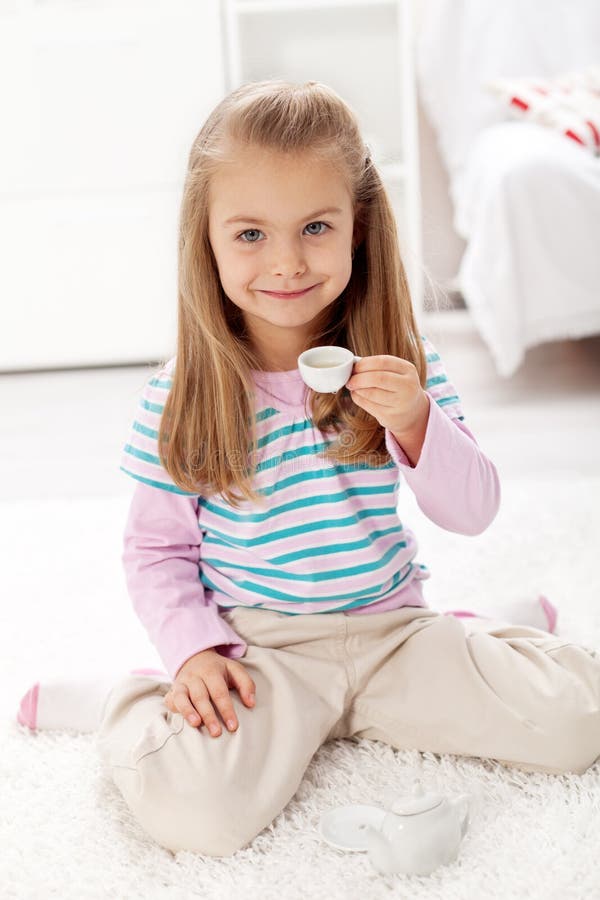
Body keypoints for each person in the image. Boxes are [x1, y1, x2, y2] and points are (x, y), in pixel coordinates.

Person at [16, 81, 600, 857]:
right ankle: (122, 700)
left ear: (358, 229)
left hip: (392, 628)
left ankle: (475, 633)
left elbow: (472, 513)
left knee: (576, 721)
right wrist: (192, 650)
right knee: (198, 814)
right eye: (251, 234)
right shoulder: (182, 393)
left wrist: (417, 420)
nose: (287, 262)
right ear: (209, 242)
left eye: (315, 227)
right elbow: (155, 551)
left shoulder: (402, 369)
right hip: (264, 649)